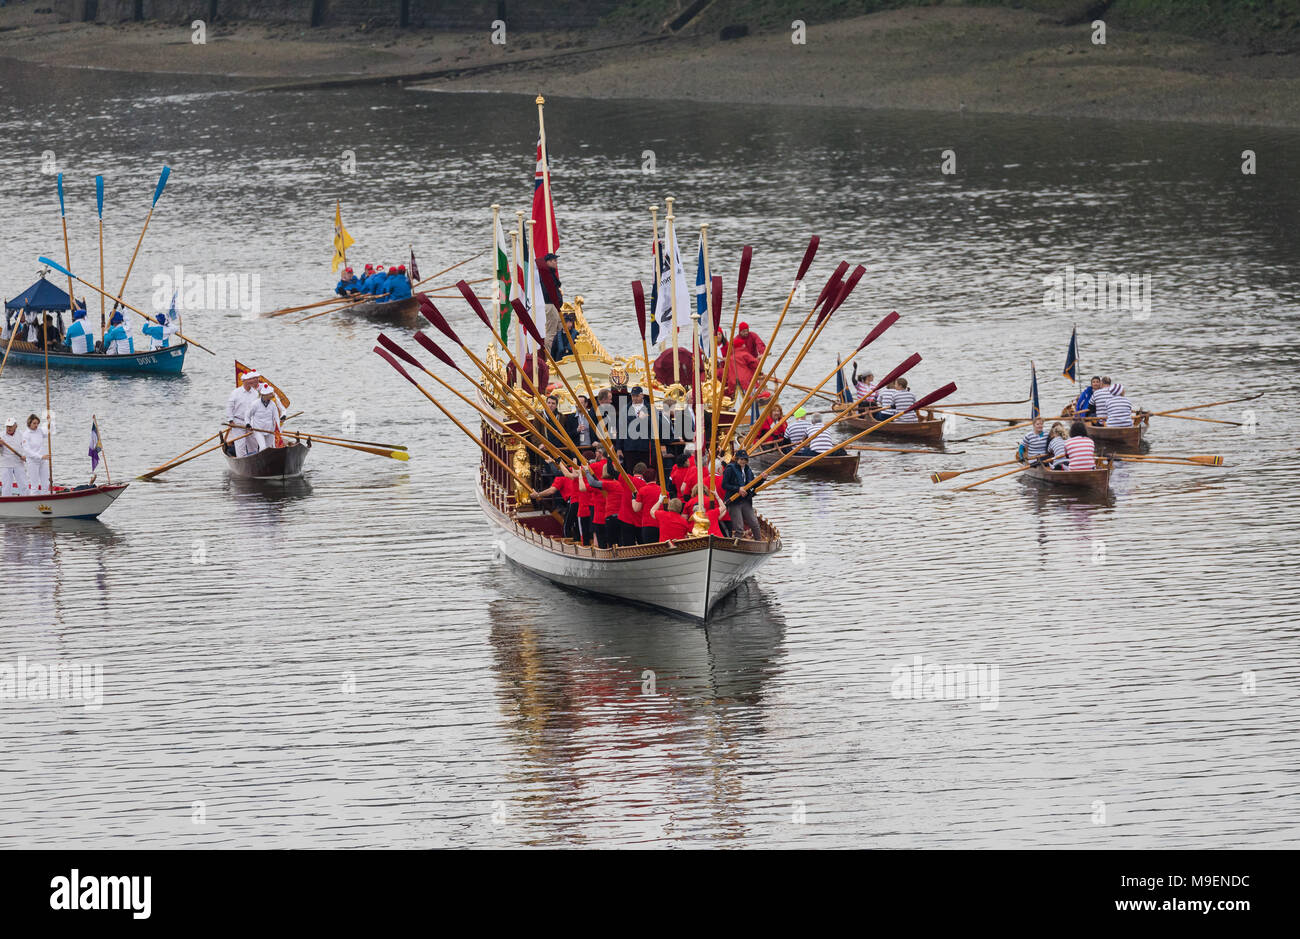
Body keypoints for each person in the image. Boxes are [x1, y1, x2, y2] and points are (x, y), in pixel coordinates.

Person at [722, 449, 761, 539]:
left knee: (755, 525)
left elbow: (754, 484)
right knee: (739, 528)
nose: (743, 461)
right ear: (737, 459)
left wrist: (762, 479)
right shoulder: (730, 468)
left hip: (745, 501)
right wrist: (738, 489)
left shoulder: (748, 470)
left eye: (745, 459)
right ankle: (736, 546)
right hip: (734, 502)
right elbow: (724, 485)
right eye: (741, 459)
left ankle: (759, 542)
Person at [225, 369, 261, 458]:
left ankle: (254, 460)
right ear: (244, 381)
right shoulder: (235, 392)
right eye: (250, 379)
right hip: (238, 422)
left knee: (253, 443)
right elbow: (229, 407)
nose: (252, 381)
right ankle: (242, 461)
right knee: (240, 444)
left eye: (252, 379)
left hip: (251, 422)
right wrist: (230, 421)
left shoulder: (255, 393)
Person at [245, 382, 283, 452]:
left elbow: (276, 418)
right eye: (270, 394)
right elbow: (247, 415)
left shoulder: (272, 404)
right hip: (258, 430)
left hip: (270, 430)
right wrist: (248, 424)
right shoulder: (255, 404)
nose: (272, 395)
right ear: (264, 395)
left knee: (269, 449)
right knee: (263, 448)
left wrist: (278, 430)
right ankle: (260, 461)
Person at [630, 468, 662, 544]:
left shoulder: (642, 491)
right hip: (661, 524)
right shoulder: (663, 490)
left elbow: (636, 508)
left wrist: (633, 498)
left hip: (648, 524)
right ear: (655, 478)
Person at [22, 413, 49, 494]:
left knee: (45, 483)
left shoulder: (40, 431)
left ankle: (46, 497)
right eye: (34, 423)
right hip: (32, 461)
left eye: (37, 423)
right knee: (35, 485)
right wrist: (40, 456)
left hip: (43, 461)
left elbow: (49, 432)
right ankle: (34, 499)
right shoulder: (26, 434)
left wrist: (49, 422)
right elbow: (27, 451)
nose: (36, 425)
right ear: (29, 423)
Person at [539, 253, 563, 344]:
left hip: (554, 306)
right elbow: (547, 292)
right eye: (554, 261)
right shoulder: (545, 275)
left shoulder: (550, 274)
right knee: (551, 333)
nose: (556, 263)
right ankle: (549, 357)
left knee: (560, 331)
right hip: (550, 305)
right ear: (548, 262)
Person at [0, 417, 25, 496]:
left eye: (10, 426)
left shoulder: (21, 434)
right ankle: (7, 502)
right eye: (7, 426)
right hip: (5, 464)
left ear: (15, 426)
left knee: (23, 484)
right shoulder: (1, 435)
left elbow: (26, 447)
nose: (9, 428)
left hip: (18, 462)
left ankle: (26, 499)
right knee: (6, 486)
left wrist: (25, 456)